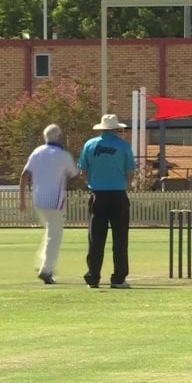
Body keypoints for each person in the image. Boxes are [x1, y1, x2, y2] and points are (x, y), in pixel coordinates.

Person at [78, 114, 136, 289]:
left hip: (98, 194)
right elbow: (130, 171)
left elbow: (82, 170)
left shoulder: (90, 144)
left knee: (95, 238)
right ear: (116, 128)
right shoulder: (124, 146)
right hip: (118, 194)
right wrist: (125, 184)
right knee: (120, 238)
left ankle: (93, 277)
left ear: (102, 128)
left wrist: (93, 181)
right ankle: (118, 278)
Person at [19, 124, 79, 285]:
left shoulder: (37, 152)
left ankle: (41, 262)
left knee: (50, 232)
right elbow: (74, 173)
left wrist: (22, 199)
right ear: (59, 137)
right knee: (55, 236)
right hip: (55, 200)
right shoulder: (62, 155)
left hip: (38, 199)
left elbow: (24, 174)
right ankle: (46, 270)